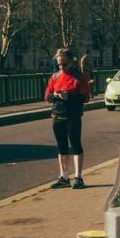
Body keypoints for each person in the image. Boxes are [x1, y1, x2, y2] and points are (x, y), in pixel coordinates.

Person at [45, 48, 92, 190]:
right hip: (57, 116)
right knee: (62, 147)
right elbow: (46, 96)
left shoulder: (79, 77)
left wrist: (69, 96)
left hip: (73, 117)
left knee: (76, 145)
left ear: (71, 62)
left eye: (64, 64)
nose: (61, 67)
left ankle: (78, 177)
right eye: (59, 64)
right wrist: (56, 95)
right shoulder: (54, 77)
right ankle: (64, 177)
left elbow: (86, 97)